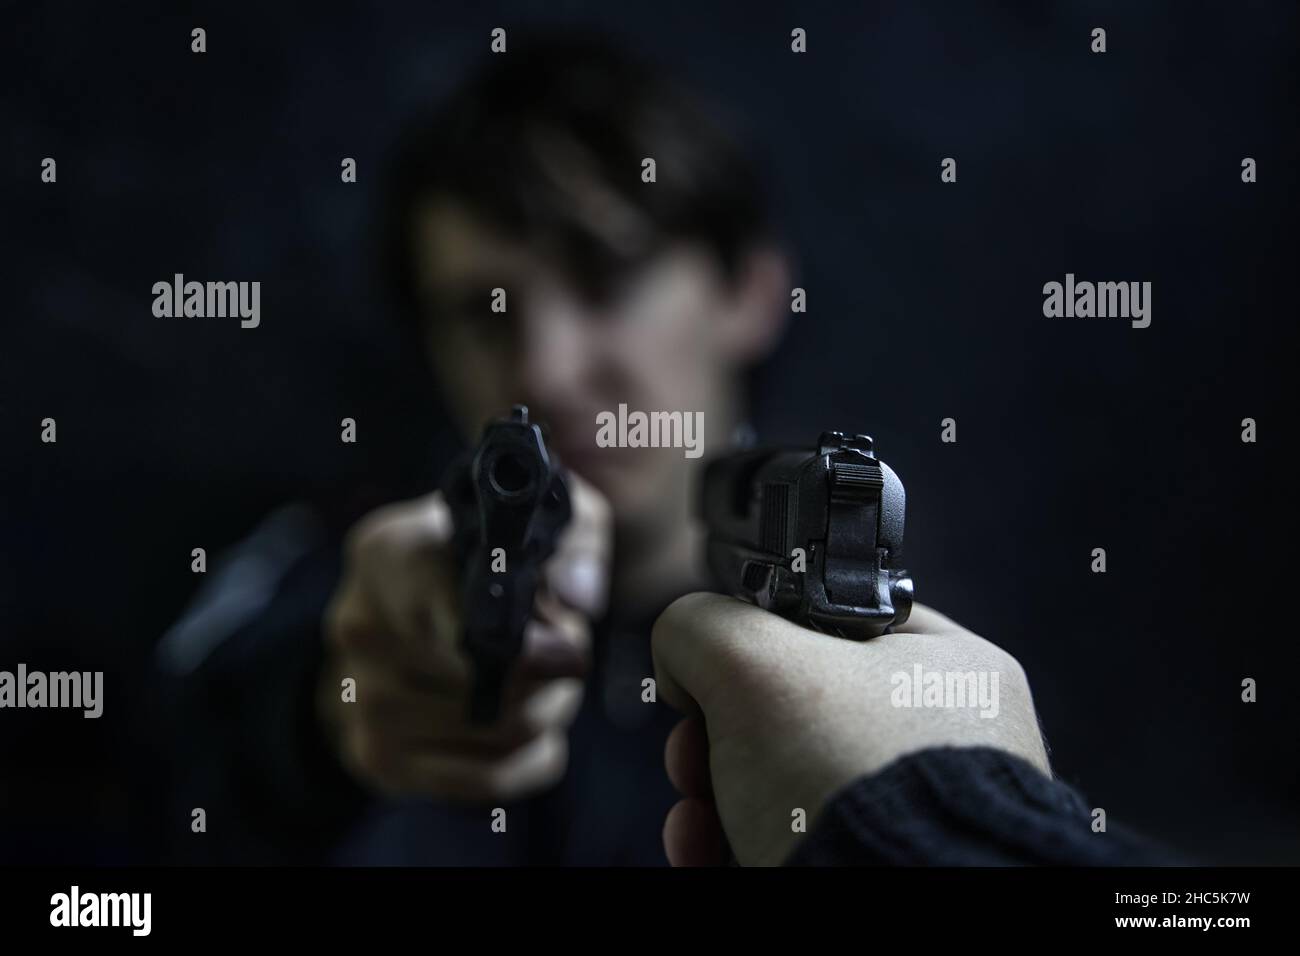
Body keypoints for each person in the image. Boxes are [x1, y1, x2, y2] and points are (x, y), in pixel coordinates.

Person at [156, 32, 1167, 866]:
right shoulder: (331, 567)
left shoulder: (944, 612)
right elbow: (145, 803)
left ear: (751, 292)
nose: (547, 368)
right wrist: (325, 714)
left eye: (606, 278)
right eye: (481, 312)